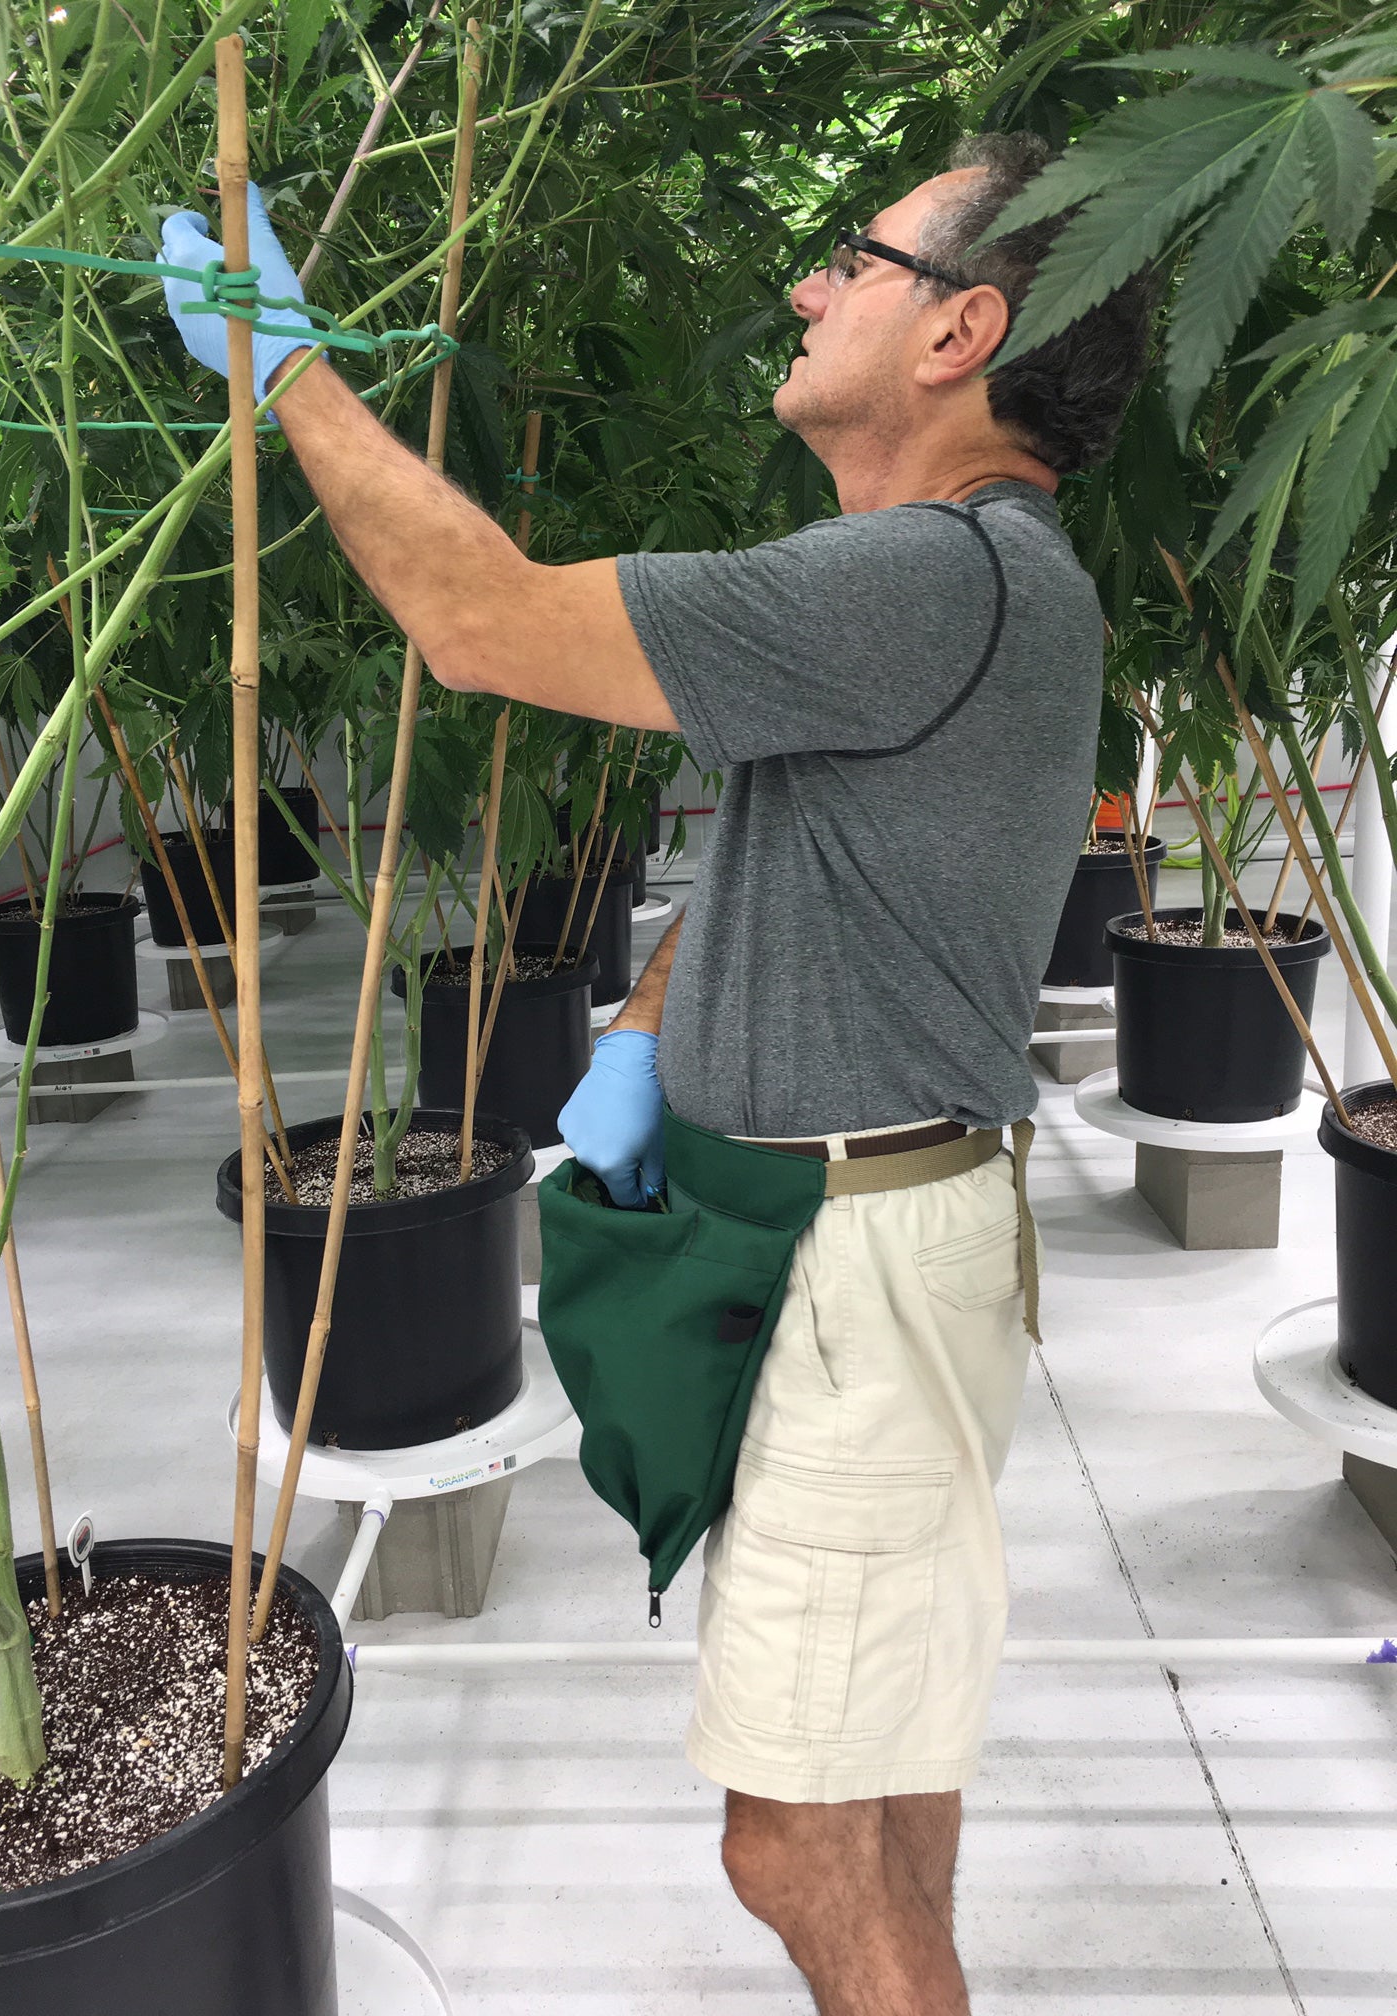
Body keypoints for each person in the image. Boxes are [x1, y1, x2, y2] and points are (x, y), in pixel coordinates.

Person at [163, 130, 1152, 2015]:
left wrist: (277, 354)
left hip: (857, 1271)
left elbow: (477, 621)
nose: (805, 287)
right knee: (880, 1785)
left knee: (789, 1840)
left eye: (848, 261)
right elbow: (804, 849)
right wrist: (639, 1034)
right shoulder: (942, 587)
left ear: (963, 330)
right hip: (869, 1229)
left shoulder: (930, 584)